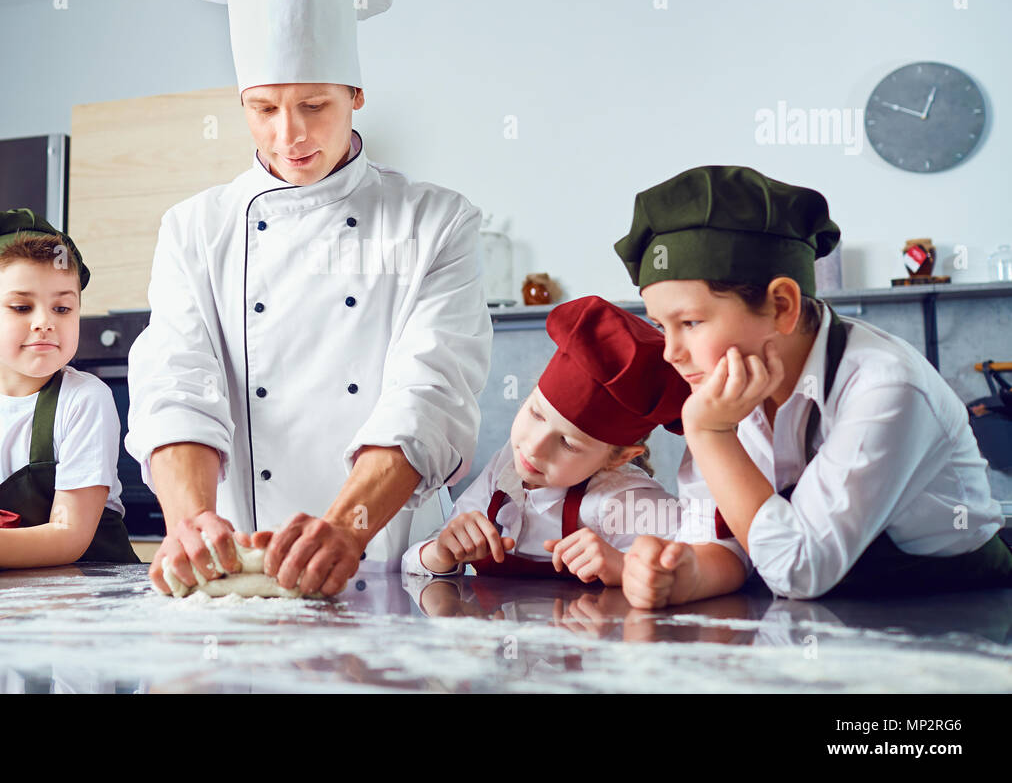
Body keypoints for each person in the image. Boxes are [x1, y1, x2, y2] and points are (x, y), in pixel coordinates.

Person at [126, 0, 492, 598]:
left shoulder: (435, 222)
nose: (288, 135)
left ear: (356, 95)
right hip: (237, 569)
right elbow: (176, 382)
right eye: (263, 109)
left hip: (393, 568)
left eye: (315, 105)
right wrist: (189, 518)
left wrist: (349, 527)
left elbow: (432, 393)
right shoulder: (194, 228)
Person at [612, 165, 1012, 608]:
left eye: (689, 322)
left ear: (782, 305)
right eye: (660, 326)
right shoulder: (726, 389)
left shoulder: (886, 387)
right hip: (830, 621)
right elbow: (723, 536)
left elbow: (799, 570)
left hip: (953, 614)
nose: (671, 352)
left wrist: (710, 435)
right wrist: (685, 571)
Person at [0, 208, 138, 569]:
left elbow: (70, 536)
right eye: (21, 307)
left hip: (89, 591)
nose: (45, 322)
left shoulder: (85, 399)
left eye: (62, 308)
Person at [404, 296, 686, 583]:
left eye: (568, 444)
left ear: (619, 459)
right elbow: (414, 562)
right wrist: (440, 553)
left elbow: (697, 568)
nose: (534, 447)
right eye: (536, 414)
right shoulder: (506, 467)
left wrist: (626, 568)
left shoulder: (623, 498)